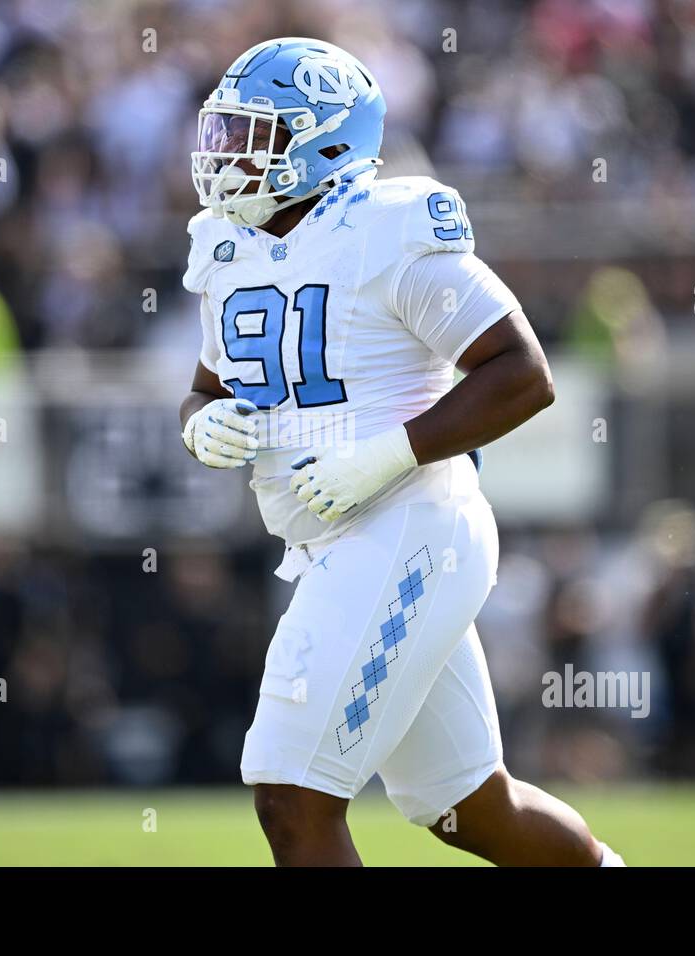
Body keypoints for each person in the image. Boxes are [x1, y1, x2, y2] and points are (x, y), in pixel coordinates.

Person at [179, 38, 624, 866]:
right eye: (224, 132)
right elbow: (207, 384)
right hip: (330, 541)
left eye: (254, 134)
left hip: (408, 523)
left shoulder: (383, 227)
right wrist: (198, 422)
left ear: (326, 143)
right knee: (467, 809)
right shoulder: (228, 243)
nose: (227, 153)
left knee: (291, 793)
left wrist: (386, 456)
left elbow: (523, 373)